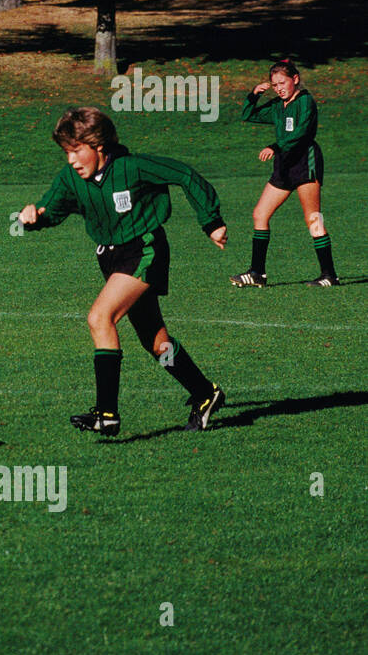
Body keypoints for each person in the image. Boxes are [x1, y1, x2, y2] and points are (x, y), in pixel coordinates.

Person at [18, 107, 228, 436]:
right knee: (157, 345)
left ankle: (106, 413)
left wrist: (212, 221)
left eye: (76, 151)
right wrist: (32, 216)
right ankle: (205, 393)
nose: (71, 160)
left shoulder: (132, 167)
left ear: (97, 144)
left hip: (145, 249)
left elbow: (185, 174)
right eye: (66, 152)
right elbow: (50, 209)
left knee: (100, 318)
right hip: (111, 258)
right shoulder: (71, 179)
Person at [230, 59, 338, 288]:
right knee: (260, 214)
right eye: (274, 84)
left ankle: (329, 275)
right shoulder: (278, 106)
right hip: (284, 165)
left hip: (304, 161)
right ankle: (257, 273)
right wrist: (253, 94)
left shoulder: (305, 101)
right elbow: (247, 115)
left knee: (313, 218)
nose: (279, 88)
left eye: (282, 82)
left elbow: (301, 134)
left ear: (295, 79)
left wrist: (275, 147)